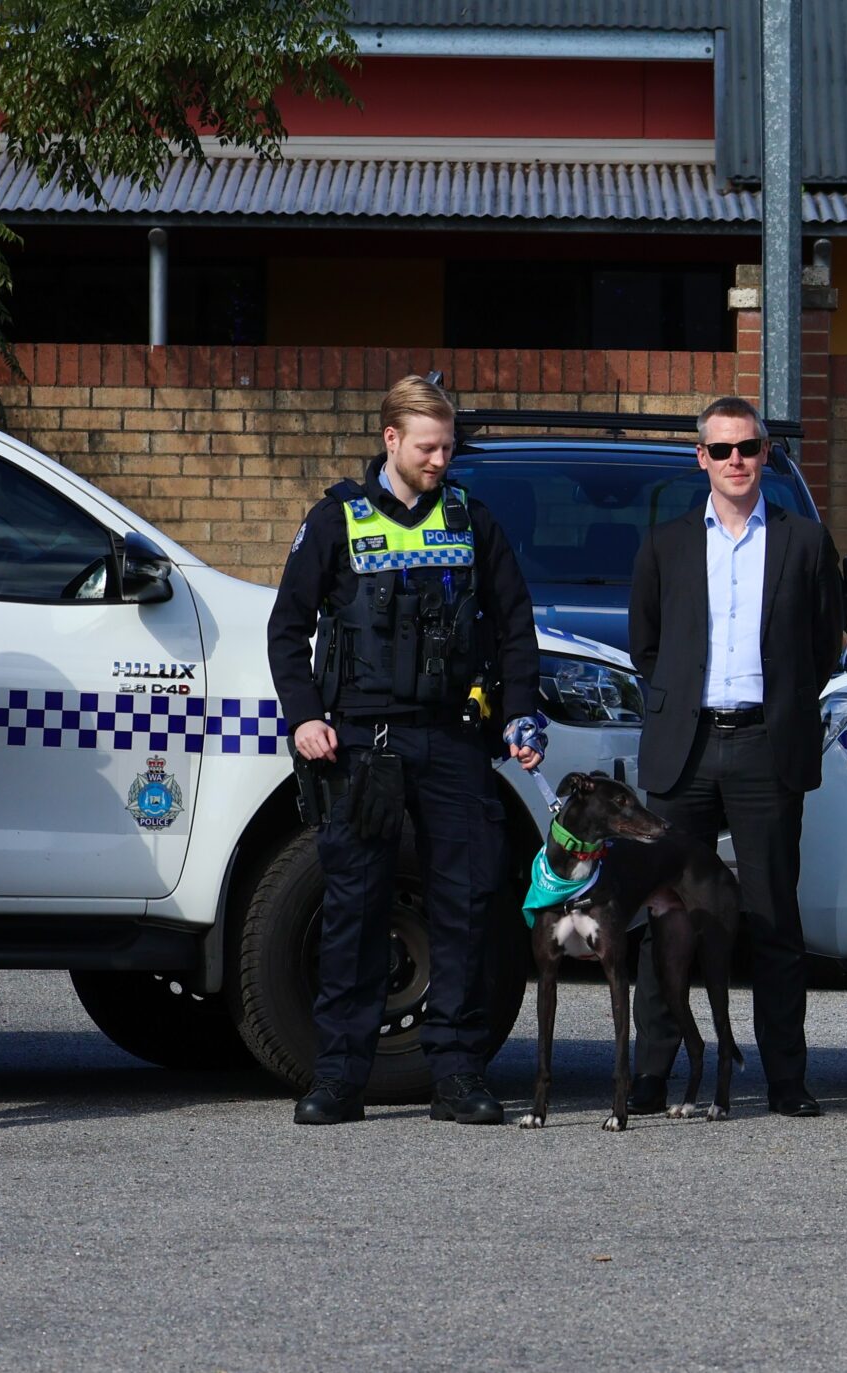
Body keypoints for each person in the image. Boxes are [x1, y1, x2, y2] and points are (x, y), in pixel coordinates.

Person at [265, 375, 544, 1126]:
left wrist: (522, 717)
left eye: (448, 446)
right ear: (390, 440)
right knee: (355, 907)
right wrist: (305, 717)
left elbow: (516, 628)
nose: (440, 459)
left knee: (467, 905)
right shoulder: (336, 521)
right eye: (428, 446)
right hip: (363, 744)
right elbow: (286, 629)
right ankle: (339, 1076)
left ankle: (456, 1075)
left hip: (454, 738)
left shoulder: (472, 520)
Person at [624, 396, 845, 1118]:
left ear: (765, 453)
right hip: (684, 748)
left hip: (764, 742)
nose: (736, 461)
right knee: (668, 912)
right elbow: (647, 645)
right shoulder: (666, 543)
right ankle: (654, 1071)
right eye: (721, 450)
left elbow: (821, 644)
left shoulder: (806, 542)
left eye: (748, 447)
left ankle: (786, 1078)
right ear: (701, 459)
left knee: (774, 913)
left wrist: (774, 705)